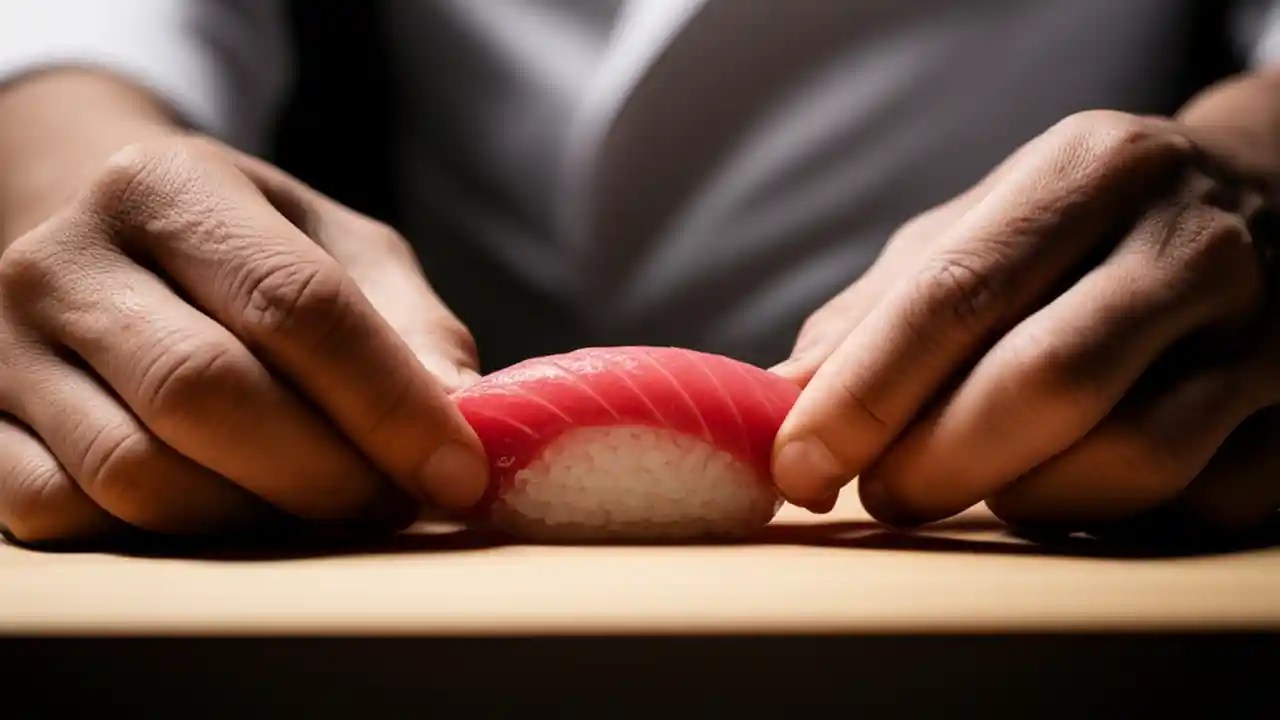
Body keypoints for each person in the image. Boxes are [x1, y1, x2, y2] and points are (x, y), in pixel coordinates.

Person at [0, 0, 1276, 545]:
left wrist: (1246, 158)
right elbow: (83, 30)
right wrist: (77, 203)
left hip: (1042, 469)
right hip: (377, 478)